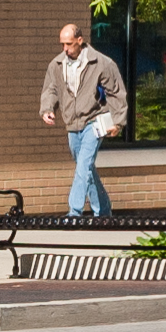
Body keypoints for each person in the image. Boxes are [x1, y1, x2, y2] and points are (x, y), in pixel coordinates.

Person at [41, 19, 127, 219]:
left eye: (69, 44)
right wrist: (47, 109)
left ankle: (74, 212)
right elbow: (51, 89)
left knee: (83, 165)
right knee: (86, 169)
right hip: (72, 122)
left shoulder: (102, 63)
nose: (65, 48)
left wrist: (118, 122)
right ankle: (104, 210)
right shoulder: (57, 64)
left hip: (94, 121)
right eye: (62, 44)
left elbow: (116, 93)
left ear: (80, 40)